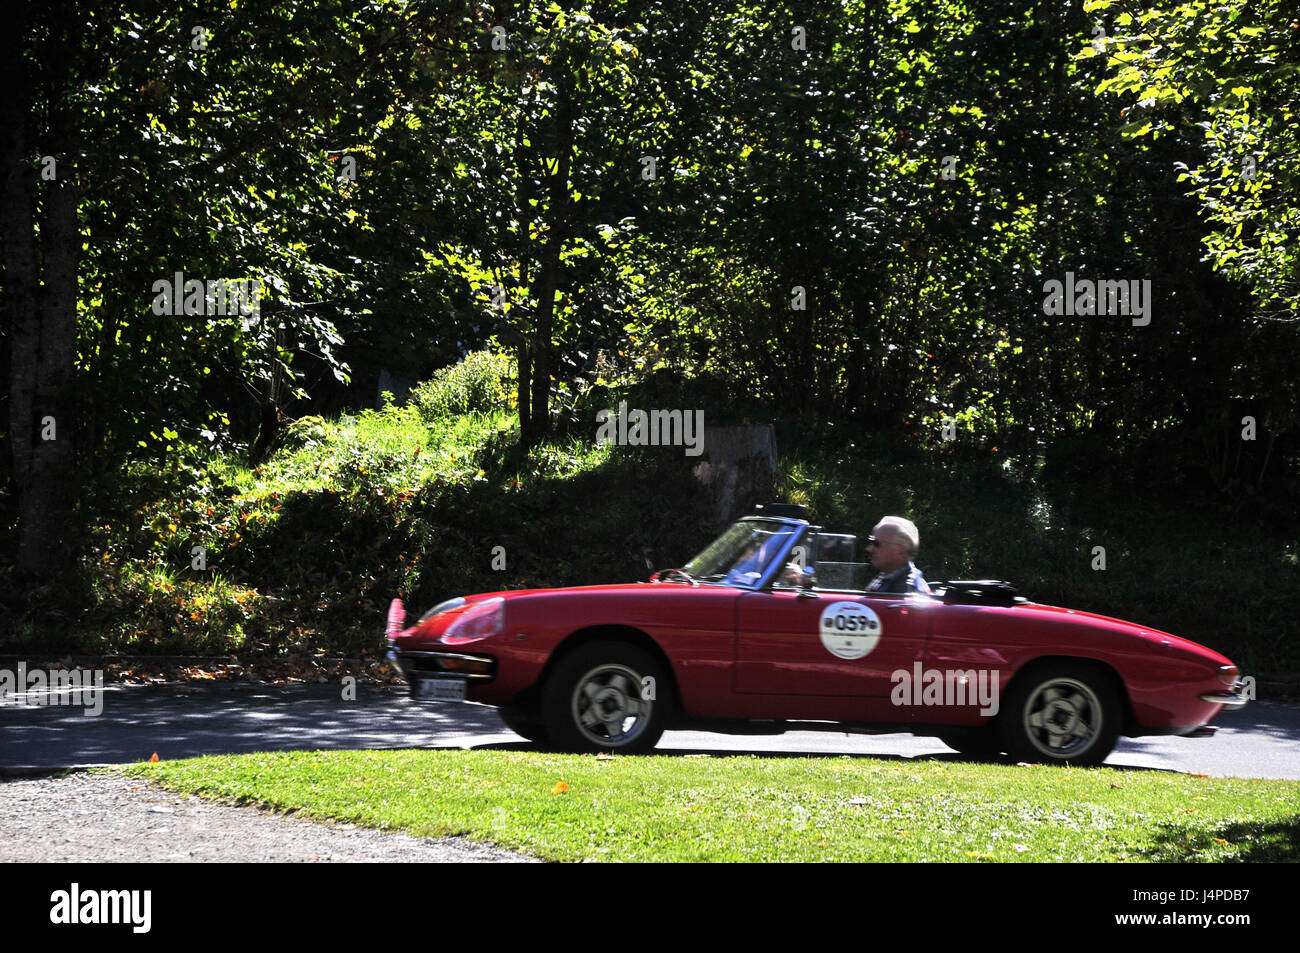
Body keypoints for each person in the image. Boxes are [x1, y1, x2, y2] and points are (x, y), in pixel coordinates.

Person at [864, 516, 931, 594]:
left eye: (876, 544)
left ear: (900, 551)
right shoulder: (886, 577)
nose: (869, 549)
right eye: (871, 542)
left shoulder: (906, 591)